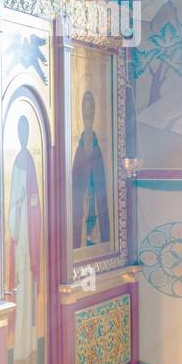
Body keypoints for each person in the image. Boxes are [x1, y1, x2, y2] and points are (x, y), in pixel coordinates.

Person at [6, 116, 43, 364]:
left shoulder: (27, 160)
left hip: (28, 248)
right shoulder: (21, 162)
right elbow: (15, 204)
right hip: (20, 250)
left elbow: (30, 204)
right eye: (20, 130)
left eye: (25, 130)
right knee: (20, 313)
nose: (22, 134)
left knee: (29, 312)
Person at [71, 89, 110, 247]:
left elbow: (102, 189)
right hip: (81, 206)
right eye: (85, 112)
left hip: (94, 205)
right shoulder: (79, 150)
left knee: (93, 237)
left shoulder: (97, 149)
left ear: (94, 114)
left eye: (91, 112)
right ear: (81, 113)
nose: (88, 116)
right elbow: (74, 184)